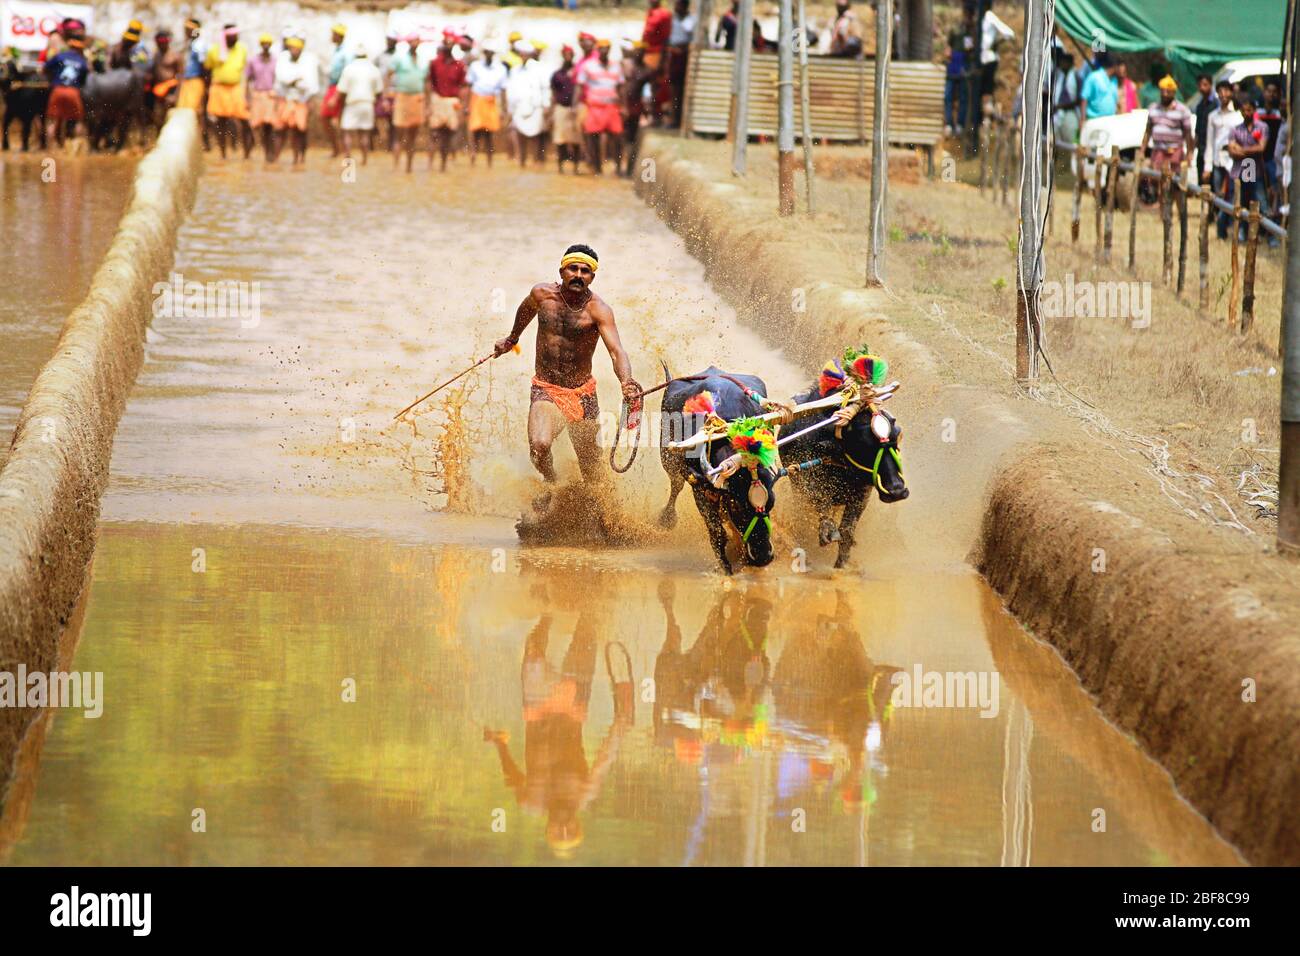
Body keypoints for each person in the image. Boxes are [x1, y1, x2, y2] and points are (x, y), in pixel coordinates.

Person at [492, 244, 641, 508]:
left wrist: (626, 382)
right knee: (539, 446)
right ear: (562, 270)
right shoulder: (541, 294)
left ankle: (605, 517)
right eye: (573, 268)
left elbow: (617, 351)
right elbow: (525, 311)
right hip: (547, 389)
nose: (579, 275)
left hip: (583, 395)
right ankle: (553, 485)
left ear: (592, 277)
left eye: (586, 271)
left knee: (592, 471)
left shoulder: (598, 310)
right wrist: (511, 339)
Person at [577, 39, 623, 175]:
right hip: (594, 106)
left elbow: (621, 87)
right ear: (597, 50)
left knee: (617, 137)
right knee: (592, 137)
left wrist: (623, 105)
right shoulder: (588, 66)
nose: (604, 50)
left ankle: (618, 168)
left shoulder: (616, 66)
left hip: (611, 106)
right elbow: (580, 87)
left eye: (606, 48)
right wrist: (576, 105)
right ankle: (597, 168)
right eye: (601, 48)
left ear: (609, 49)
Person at [1226, 93, 1269, 240]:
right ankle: (1238, 234)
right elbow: (1231, 150)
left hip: (1256, 172)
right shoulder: (1235, 129)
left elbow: (1261, 148)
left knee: (1262, 204)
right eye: (1243, 110)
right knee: (1238, 204)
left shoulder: (1262, 127)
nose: (1246, 113)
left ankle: (1271, 236)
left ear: (1254, 110)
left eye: (1249, 110)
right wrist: (1251, 149)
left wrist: (1242, 149)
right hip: (1240, 172)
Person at [204, 24, 249, 159]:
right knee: (221, 122)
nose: (236, 38)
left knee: (244, 120)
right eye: (232, 36)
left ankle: (246, 154)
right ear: (226, 36)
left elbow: (244, 71)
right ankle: (223, 154)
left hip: (236, 88)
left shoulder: (242, 50)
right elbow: (207, 69)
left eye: (237, 35)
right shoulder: (214, 51)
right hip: (219, 88)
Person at [1204, 79, 1241, 239]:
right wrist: (1207, 166)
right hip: (1218, 161)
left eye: (1227, 91)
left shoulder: (1238, 116)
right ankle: (1221, 232)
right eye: (1221, 91)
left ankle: (1233, 229)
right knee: (1219, 196)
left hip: (1234, 162)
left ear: (1232, 93)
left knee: (1233, 197)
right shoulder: (1213, 116)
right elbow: (1210, 143)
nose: (1224, 94)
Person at [274, 34, 318, 166]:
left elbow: (310, 84)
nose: (294, 51)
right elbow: (281, 79)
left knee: (300, 131)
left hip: (301, 101)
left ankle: (299, 158)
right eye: (292, 48)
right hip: (286, 100)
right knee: (280, 129)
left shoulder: (308, 62)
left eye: (296, 49)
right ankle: (276, 159)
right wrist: (294, 81)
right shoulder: (283, 60)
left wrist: (295, 82)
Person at [43, 26, 88, 149]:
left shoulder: (60, 56)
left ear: (70, 46)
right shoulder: (82, 62)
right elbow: (84, 81)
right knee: (77, 120)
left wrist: (52, 80)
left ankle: (50, 147)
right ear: (80, 48)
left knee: (53, 120)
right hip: (73, 92)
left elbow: (45, 68)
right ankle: (75, 146)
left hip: (57, 90)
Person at [426, 32, 466, 171]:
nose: (448, 46)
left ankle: (443, 164)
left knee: (448, 135)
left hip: (452, 102)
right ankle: (430, 164)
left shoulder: (459, 65)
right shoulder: (435, 63)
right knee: (434, 133)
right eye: (446, 43)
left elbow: (462, 87)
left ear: (454, 46)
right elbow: (429, 83)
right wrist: (428, 105)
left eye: (451, 44)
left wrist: (462, 107)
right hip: (437, 100)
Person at [336, 46, 381, 165]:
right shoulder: (373, 69)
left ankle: (348, 157)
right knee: (364, 133)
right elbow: (379, 91)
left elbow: (342, 90)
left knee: (346, 131)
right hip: (367, 104)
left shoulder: (349, 69)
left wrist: (338, 104)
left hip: (352, 103)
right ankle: (364, 160)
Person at [506, 42, 548, 168]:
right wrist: (510, 108)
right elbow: (511, 90)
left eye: (526, 54)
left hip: (535, 106)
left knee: (535, 134)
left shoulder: (539, 69)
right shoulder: (515, 70)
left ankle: (536, 160)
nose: (523, 56)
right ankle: (522, 161)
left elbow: (545, 88)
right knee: (519, 134)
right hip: (519, 107)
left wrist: (546, 105)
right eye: (521, 54)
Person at [1140, 75, 1193, 173]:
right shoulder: (1153, 108)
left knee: (1173, 181)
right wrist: (1142, 150)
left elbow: (1188, 134)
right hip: (1158, 151)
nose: (1165, 94)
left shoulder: (1182, 110)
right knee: (1156, 180)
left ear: (1174, 93)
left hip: (1175, 152)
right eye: (1162, 91)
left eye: (1168, 91)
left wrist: (1190, 153)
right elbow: (1148, 131)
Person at [466, 45, 508, 167]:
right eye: (487, 52)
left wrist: (504, 109)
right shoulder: (475, 66)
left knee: (489, 133)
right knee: (475, 131)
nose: (489, 54)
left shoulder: (501, 69)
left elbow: (503, 89)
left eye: (491, 52)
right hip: (477, 100)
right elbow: (469, 86)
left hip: (492, 101)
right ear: (484, 53)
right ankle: (473, 159)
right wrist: (467, 106)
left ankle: (489, 162)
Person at [390, 35, 425, 172]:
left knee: (412, 136)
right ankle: (395, 167)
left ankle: (408, 168)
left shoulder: (423, 60)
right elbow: (389, 74)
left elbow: (427, 82)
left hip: (417, 99)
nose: (415, 43)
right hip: (402, 97)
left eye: (417, 41)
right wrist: (388, 94)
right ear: (408, 43)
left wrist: (426, 103)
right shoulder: (400, 59)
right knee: (399, 134)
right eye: (412, 41)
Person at [620, 41, 653, 176]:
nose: (638, 53)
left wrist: (647, 108)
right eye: (636, 50)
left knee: (631, 139)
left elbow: (649, 91)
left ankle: (629, 169)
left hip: (635, 107)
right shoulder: (624, 67)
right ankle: (619, 168)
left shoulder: (646, 71)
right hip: (621, 106)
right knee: (619, 139)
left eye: (641, 51)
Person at [245, 33, 280, 162]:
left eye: (268, 43)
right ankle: (247, 155)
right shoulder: (253, 61)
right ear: (261, 44)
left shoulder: (276, 61)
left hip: (270, 96)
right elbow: (247, 80)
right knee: (253, 126)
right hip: (257, 95)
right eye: (263, 43)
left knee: (269, 127)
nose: (266, 45)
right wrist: (246, 98)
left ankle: (269, 154)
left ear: (270, 45)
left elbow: (278, 80)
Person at [550, 44, 582, 173]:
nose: (568, 57)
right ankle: (560, 168)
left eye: (570, 54)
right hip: (561, 108)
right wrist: (551, 111)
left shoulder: (578, 72)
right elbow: (553, 92)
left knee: (576, 139)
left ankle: (576, 168)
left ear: (573, 56)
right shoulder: (557, 74)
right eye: (565, 54)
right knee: (560, 139)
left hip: (576, 109)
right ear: (562, 56)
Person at [642, 0, 673, 125]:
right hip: (648, 54)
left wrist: (661, 60)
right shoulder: (650, 13)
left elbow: (666, 38)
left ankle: (657, 117)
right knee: (649, 86)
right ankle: (650, 115)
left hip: (657, 54)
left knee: (657, 86)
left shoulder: (664, 14)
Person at [321, 24, 350, 157]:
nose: (331, 36)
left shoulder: (346, 52)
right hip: (333, 86)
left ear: (339, 36)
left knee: (338, 119)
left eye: (333, 34)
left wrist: (338, 94)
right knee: (326, 117)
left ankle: (343, 150)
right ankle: (337, 148)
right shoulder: (336, 51)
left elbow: (346, 73)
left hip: (339, 87)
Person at [666, 0, 694, 128]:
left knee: (683, 90)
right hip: (674, 55)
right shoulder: (673, 20)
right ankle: (673, 119)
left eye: (678, 5)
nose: (676, 7)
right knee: (674, 89)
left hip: (684, 56)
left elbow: (693, 41)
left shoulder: (692, 20)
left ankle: (681, 120)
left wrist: (683, 50)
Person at [148, 29, 181, 132]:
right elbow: (151, 74)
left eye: (163, 42)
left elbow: (181, 76)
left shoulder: (175, 56)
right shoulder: (155, 56)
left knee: (171, 118)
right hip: (158, 91)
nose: (161, 44)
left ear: (167, 42)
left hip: (172, 90)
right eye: (159, 42)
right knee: (158, 118)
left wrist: (175, 95)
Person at [1051, 49, 1082, 146]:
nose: (1061, 64)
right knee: (1058, 143)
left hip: (1070, 114)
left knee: (1070, 142)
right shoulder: (1060, 76)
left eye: (1064, 62)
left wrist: (1061, 106)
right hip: (1058, 114)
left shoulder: (1076, 76)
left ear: (1069, 63)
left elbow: (1078, 100)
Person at [1079, 52, 1118, 127]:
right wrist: (1083, 119)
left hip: (1111, 121)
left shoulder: (1114, 80)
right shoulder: (1094, 77)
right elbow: (1084, 98)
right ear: (1114, 66)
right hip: (1095, 122)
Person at [374, 33, 398, 153]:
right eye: (388, 40)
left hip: (395, 91)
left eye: (392, 40)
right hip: (381, 91)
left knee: (393, 120)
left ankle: (391, 145)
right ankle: (378, 143)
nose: (390, 42)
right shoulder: (380, 57)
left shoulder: (399, 57)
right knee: (378, 116)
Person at [1192, 73, 1216, 185]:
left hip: (1213, 151)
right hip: (1201, 150)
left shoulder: (1216, 105)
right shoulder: (1200, 106)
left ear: (1211, 85)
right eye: (1200, 85)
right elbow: (1198, 130)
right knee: (1202, 184)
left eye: (1205, 84)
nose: (1202, 87)